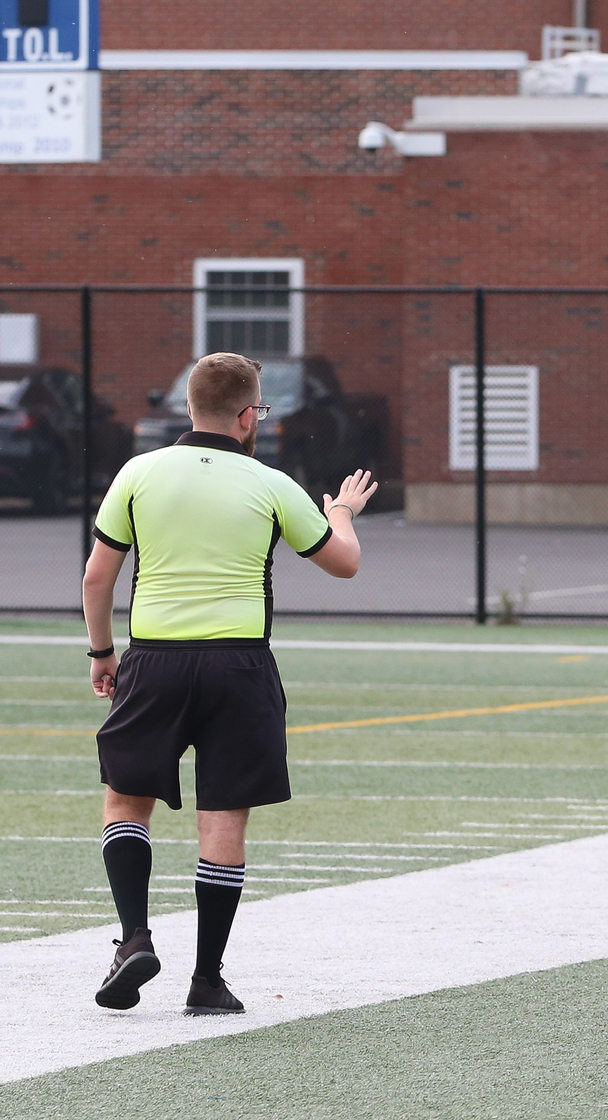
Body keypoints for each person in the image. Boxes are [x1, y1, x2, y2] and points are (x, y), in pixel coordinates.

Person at [83, 351, 377, 1014]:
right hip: (240, 666)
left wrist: (103, 651)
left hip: (153, 660)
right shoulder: (270, 484)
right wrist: (344, 513)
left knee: (127, 802)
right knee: (224, 819)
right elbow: (344, 565)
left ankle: (133, 939)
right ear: (248, 416)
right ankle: (207, 980)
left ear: (189, 407)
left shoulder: (139, 473)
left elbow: (97, 578)